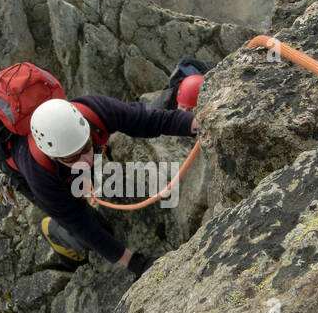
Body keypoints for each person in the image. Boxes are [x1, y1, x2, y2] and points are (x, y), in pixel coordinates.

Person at [16, 95, 198, 275]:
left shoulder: (96, 110)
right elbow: (80, 224)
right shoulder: (39, 174)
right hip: (26, 171)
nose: (86, 159)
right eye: (72, 157)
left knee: (87, 185)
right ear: (54, 156)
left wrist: (195, 123)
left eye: (87, 146)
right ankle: (54, 233)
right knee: (90, 230)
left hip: (63, 161)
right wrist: (135, 262)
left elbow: (147, 120)